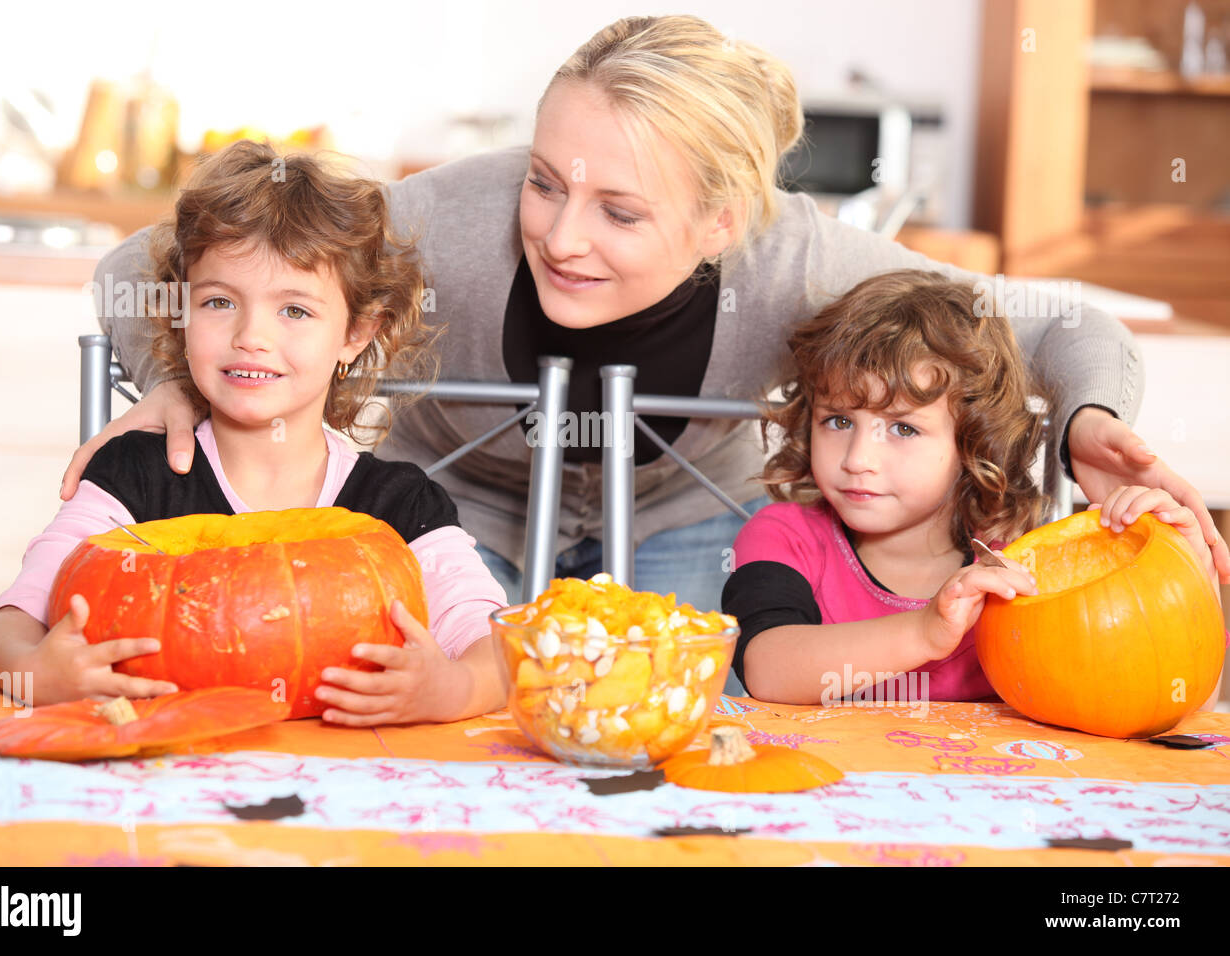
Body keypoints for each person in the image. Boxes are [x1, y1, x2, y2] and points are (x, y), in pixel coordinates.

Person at [68, 16, 1228, 681]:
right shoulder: (447, 219)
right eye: (544, 182)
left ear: (721, 220)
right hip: (453, 512)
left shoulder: (794, 256)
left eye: (620, 212)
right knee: (426, 694)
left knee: (700, 699)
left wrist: (1086, 423)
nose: (561, 235)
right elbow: (134, 264)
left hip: (683, 527)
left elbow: (1066, 321)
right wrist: (174, 374)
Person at [0, 141, 508, 722]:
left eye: (295, 311)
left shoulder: (403, 506)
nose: (251, 335)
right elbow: (12, 625)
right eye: (219, 302)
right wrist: (38, 675)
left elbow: (497, 652)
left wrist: (454, 689)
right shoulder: (132, 477)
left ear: (356, 333)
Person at [723, 270, 1224, 706]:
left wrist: (1181, 571)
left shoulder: (1022, 563)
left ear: (974, 443)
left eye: (902, 428)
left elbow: (1162, 690)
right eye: (837, 421)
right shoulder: (782, 538)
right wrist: (922, 632)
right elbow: (766, 667)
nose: (858, 459)